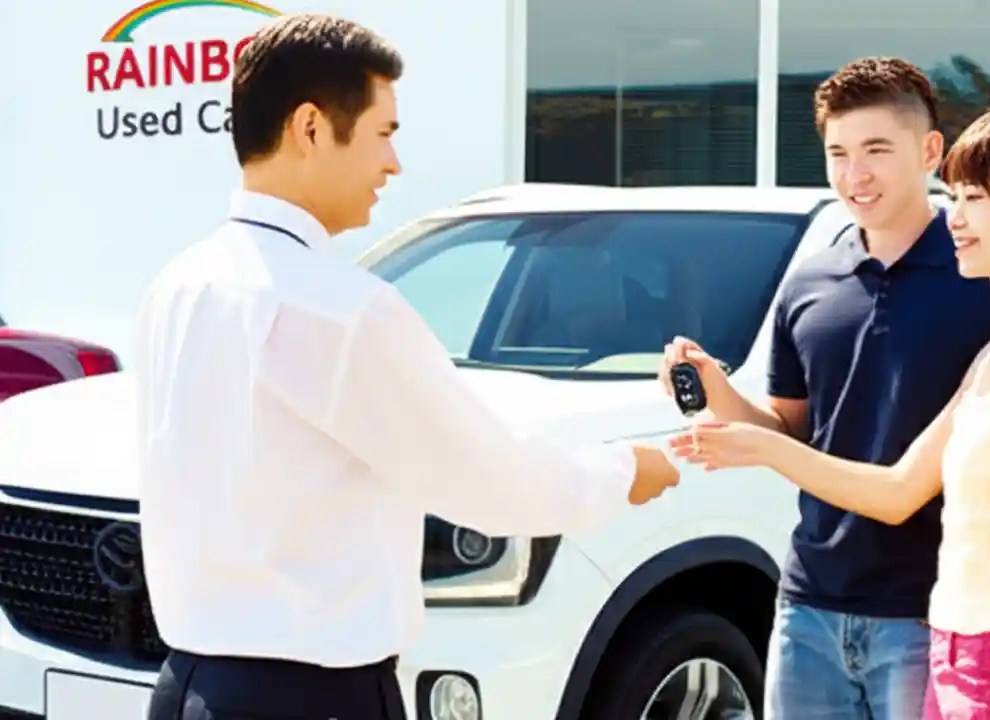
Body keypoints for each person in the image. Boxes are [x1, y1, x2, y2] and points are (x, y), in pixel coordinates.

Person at [136, 13, 679, 720]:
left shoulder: (179, 284)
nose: (394, 163)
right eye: (384, 133)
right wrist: (625, 472)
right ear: (309, 128)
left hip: (189, 687)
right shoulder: (341, 309)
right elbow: (485, 479)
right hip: (315, 696)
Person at [671, 94, 990, 719]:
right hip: (951, 663)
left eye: (973, 199)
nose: (954, 216)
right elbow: (895, 490)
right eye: (955, 197)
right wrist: (754, 436)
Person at [660, 57, 990, 719]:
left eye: (877, 150)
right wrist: (716, 390)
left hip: (933, 610)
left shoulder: (984, 277)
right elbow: (791, 433)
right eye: (838, 153)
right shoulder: (809, 283)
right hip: (809, 609)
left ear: (930, 151)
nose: (855, 175)